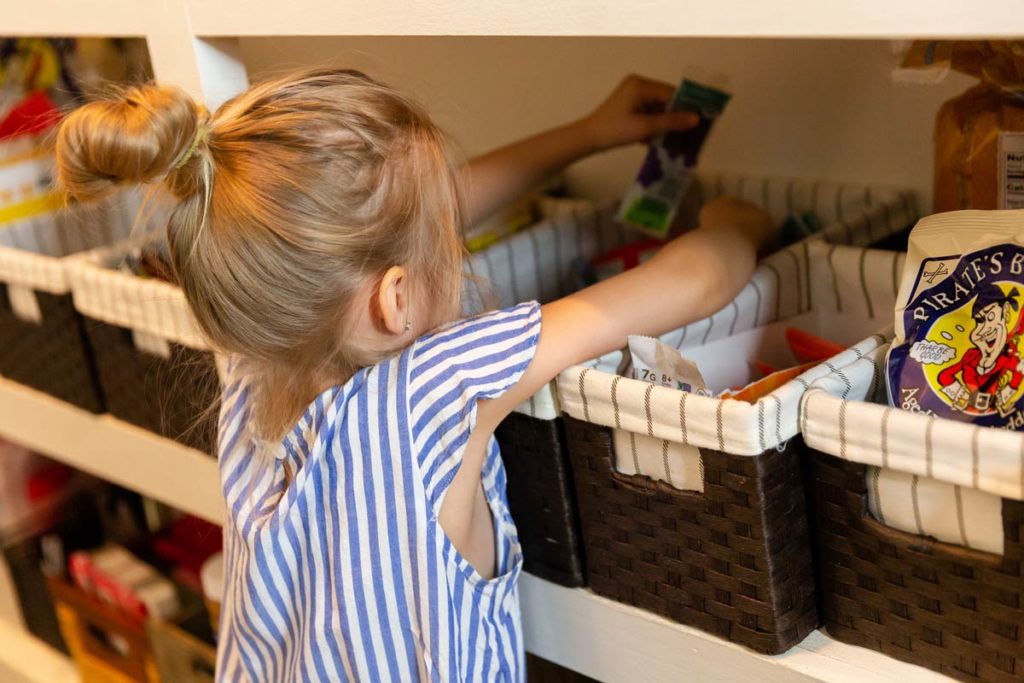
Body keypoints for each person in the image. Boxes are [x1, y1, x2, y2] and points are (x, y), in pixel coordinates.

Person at [55, 69, 775, 682]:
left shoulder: (254, 363)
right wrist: (737, 222)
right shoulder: (432, 388)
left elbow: (377, 229)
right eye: (441, 249)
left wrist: (585, 133)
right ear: (396, 301)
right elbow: (697, 278)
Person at [939, 284, 1024, 416]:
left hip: (995, 415)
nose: (985, 327)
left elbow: (1018, 374)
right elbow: (944, 376)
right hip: (962, 416)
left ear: (1005, 311)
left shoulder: (1008, 356)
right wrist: (963, 397)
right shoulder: (971, 355)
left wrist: (1001, 397)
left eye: (990, 317)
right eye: (979, 320)